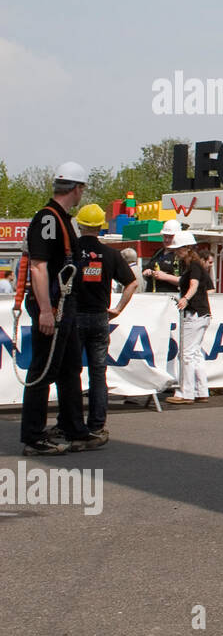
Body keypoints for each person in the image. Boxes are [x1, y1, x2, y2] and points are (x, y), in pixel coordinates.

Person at [17, 162, 102, 456]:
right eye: (82, 189)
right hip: (53, 305)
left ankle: (72, 428)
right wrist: (44, 310)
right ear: (77, 188)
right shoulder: (48, 219)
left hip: (63, 305)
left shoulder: (61, 219)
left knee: (69, 369)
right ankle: (34, 436)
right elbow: (39, 268)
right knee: (42, 370)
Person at [74, 203, 138, 436]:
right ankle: (97, 424)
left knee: (71, 373)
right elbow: (132, 282)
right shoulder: (111, 255)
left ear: (79, 225)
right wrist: (118, 308)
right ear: (101, 226)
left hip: (75, 318)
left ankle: (72, 423)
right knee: (98, 373)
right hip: (100, 317)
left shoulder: (70, 251)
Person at [167, 233, 212, 405]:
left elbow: (193, 285)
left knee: (186, 354)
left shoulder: (193, 266)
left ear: (187, 248)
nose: (176, 252)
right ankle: (201, 390)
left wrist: (185, 298)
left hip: (194, 313)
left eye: (178, 249)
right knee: (195, 354)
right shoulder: (194, 265)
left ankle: (186, 393)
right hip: (202, 313)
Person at [141, 218, 183, 292]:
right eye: (165, 236)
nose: (166, 240)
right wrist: (147, 272)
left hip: (170, 296)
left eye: (170, 237)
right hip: (152, 295)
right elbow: (147, 268)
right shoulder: (158, 252)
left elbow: (186, 281)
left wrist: (165, 277)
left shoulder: (181, 255)